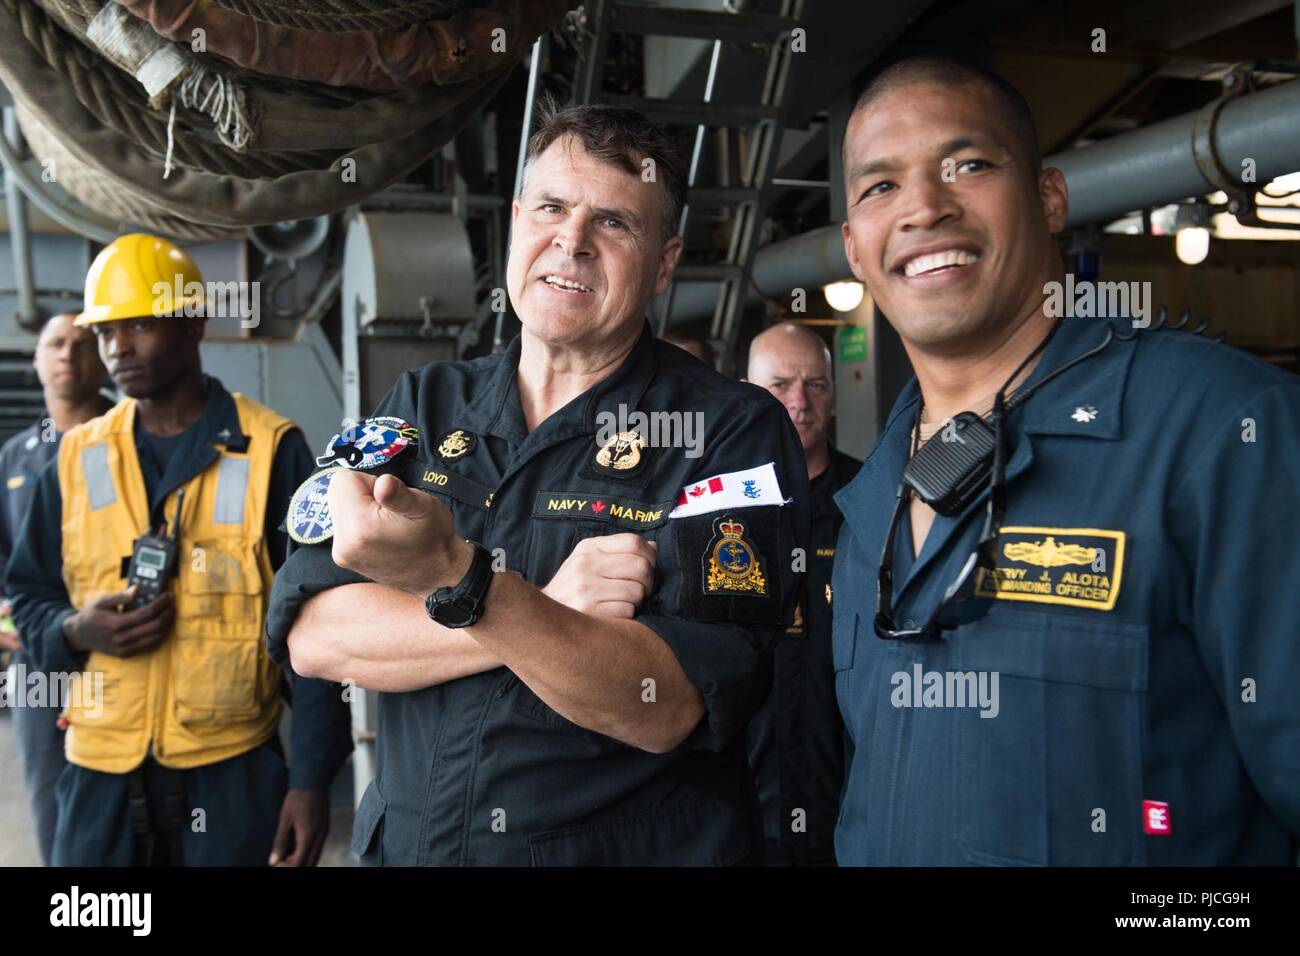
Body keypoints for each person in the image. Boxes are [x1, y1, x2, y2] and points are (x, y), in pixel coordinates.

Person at [268, 103, 809, 866]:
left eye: (614, 222)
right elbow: (316, 637)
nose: (572, 241)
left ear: (664, 261)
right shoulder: (423, 405)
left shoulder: (731, 433)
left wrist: (459, 583)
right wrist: (539, 606)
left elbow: (662, 704)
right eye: (552, 207)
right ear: (518, 221)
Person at [832, 55, 1300, 865]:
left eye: (967, 164)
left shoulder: (1220, 429)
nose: (923, 208)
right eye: (881, 187)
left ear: (1050, 199)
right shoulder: (869, 495)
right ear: (852, 247)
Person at [6, 234, 352, 866]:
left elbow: (320, 627)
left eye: (138, 325)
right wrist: (75, 629)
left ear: (192, 322)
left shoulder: (274, 450)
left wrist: (310, 783)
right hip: (99, 772)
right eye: (107, 331)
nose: (117, 349)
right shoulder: (76, 456)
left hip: (230, 773)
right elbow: (29, 592)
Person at [743, 323, 859, 865]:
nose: (799, 401)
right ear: (746, 390)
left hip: (846, 798)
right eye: (781, 384)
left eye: (816, 384)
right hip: (741, 804)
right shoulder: (712, 507)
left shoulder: (872, 500)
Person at [0, 313, 111, 864]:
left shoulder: (130, 438)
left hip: (119, 651)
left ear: (104, 359)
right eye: (56, 344)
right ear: (39, 361)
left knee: (126, 798)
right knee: (50, 797)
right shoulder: (15, 458)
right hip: (38, 664)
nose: (69, 354)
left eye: (84, 343)